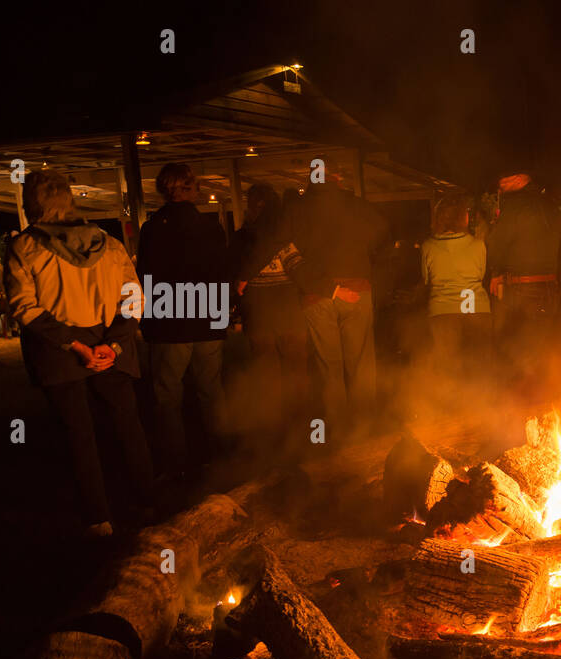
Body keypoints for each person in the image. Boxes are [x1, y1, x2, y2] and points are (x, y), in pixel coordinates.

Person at [5, 169, 153, 538]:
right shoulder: (109, 243)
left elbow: (24, 307)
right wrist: (112, 344)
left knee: (78, 435)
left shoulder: (24, 247)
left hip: (60, 353)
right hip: (109, 347)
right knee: (127, 426)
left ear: (32, 204)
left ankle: (97, 519)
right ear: (69, 199)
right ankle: (148, 500)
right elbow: (135, 300)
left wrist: (75, 345)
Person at [244, 167, 390, 441]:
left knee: (328, 365)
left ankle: (337, 430)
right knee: (360, 363)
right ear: (337, 178)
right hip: (357, 288)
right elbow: (384, 231)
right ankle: (365, 428)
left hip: (316, 294)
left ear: (310, 180)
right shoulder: (356, 205)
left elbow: (274, 243)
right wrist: (367, 261)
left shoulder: (297, 209)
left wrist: (241, 275)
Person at [137, 162, 230, 479]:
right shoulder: (210, 227)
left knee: (167, 396)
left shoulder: (152, 229)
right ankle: (217, 454)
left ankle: (174, 462)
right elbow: (222, 272)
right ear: (193, 188)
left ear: (163, 191)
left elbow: (146, 276)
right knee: (210, 391)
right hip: (207, 316)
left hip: (169, 320)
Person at [232, 183, 308, 438]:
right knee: (296, 369)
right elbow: (297, 267)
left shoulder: (243, 237)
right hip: (288, 312)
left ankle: (272, 425)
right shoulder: (284, 237)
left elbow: (233, 274)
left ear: (255, 206)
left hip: (259, 313)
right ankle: (299, 422)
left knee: (265, 369)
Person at [485, 169, 561, 380]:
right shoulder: (552, 204)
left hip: (522, 290)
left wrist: (495, 272)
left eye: (504, 180)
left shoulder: (515, 205)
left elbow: (496, 244)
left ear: (521, 179)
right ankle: (542, 402)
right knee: (541, 348)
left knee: (514, 350)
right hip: (550, 288)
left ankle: (519, 405)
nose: (500, 185)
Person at [419, 194, 492, 376]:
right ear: (463, 218)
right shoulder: (478, 245)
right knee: (479, 364)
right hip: (476, 308)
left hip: (442, 312)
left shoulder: (428, 246)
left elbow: (426, 279)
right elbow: (481, 274)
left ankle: (452, 402)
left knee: (447, 367)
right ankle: (483, 401)